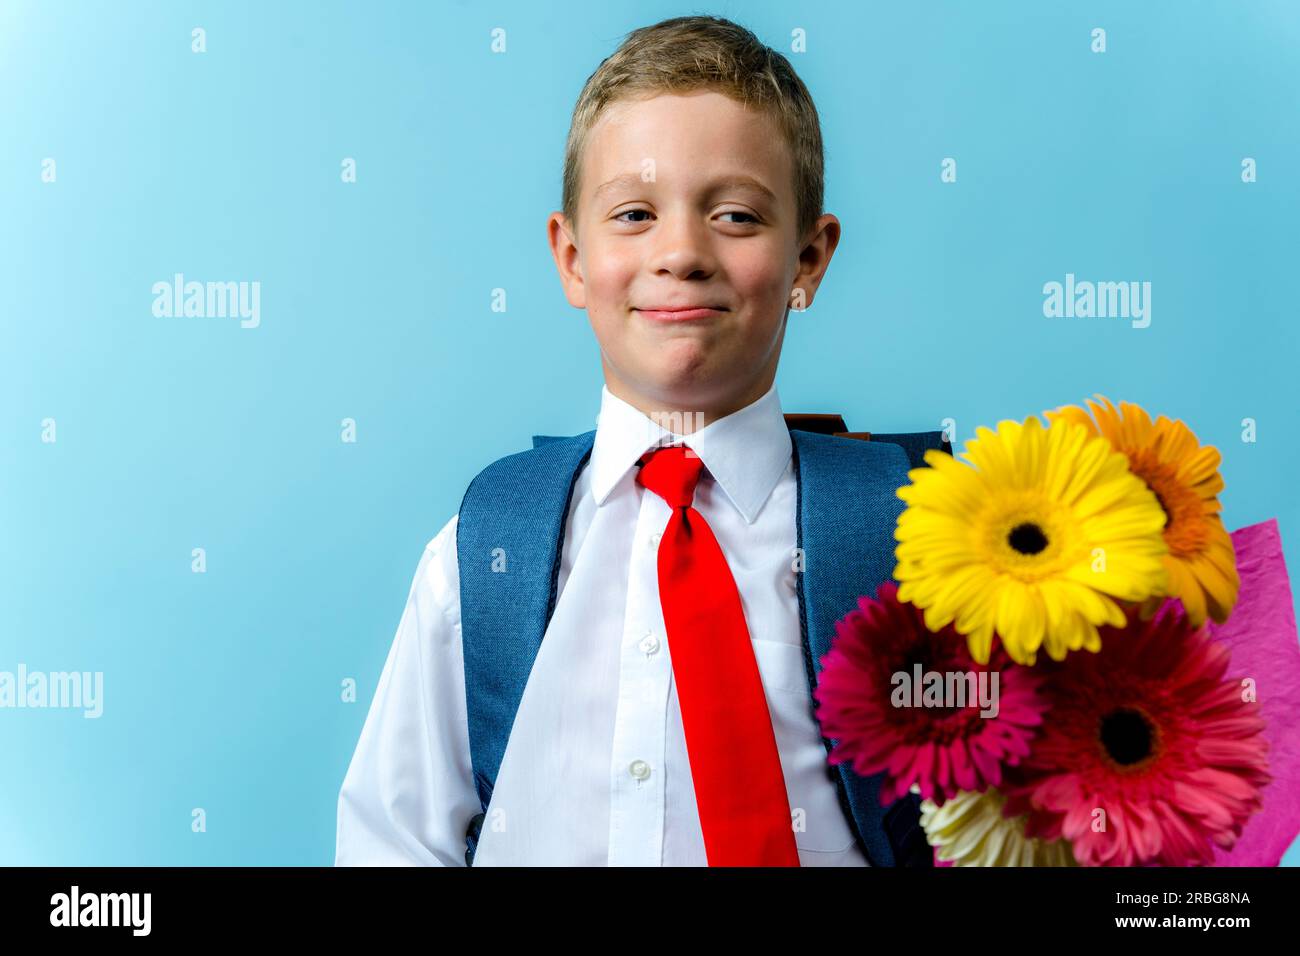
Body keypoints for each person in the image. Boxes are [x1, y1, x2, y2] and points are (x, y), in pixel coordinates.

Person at [335, 14, 936, 867]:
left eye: (734, 214)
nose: (682, 252)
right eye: (634, 214)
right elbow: (392, 844)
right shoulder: (483, 555)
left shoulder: (915, 540)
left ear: (809, 257)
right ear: (573, 259)